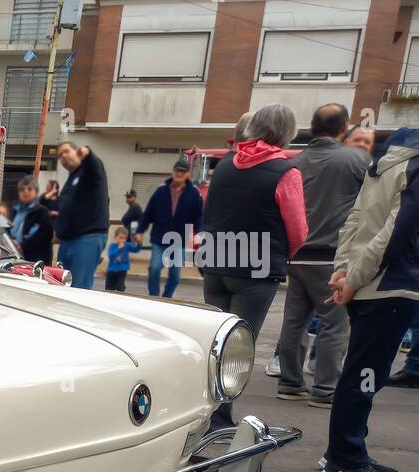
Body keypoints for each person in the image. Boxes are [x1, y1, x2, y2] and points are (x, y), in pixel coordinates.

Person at [318, 127, 419, 472]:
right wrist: (353, 277)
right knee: (365, 376)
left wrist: (344, 271)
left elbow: (354, 221)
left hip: (370, 284)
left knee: (360, 373)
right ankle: (345, 460)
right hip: (391, 285)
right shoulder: (413, 167)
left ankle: (346, 450)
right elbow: (396, 231)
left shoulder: (383, 164)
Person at [199, 103, 306, 429]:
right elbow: (298, 229)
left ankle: (202, 414)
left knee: (214, 343)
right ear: (288, 133)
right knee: (238, 346)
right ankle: (220, 421)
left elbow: (209, 211)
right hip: (256, 270)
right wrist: (280, 254)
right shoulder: (286, 171)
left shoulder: (227, 165)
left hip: (216, 261)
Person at [275, 103, 367, 408]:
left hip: (297, 255)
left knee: (294, 321)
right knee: (334, 324)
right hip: (331, 257)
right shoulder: (356, 160)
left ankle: (290, 382)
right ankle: (325, 390)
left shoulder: (295, 162)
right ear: (344, 129)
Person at [140, 157, 204, 298]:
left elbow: (199, 215)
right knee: (155, 268)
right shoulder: (161, 191)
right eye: (177, 170)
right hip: (159, 238)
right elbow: (148, 212)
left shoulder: (194, 193)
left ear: (188, 174)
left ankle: (167, 297)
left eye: (183, 171)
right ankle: (154, 296)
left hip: (179, 241)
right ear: (172, 171)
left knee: (175, 275)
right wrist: (140, 231)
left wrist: (199, 233)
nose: (179, 174)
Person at [53, 141, 109, 289]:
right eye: (60, 155)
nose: (63, 156)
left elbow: (95, 166)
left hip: (87, 237)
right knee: (63, 284)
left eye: (66, 151)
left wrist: (88, 154)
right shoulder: (71, 179)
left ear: (77, 151)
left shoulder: (88, 171)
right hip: (67, 240)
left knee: (79, 287)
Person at [9, 175, 53, 264]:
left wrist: (22, 246)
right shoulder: (15, 210)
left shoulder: (41, 211)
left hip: (35, 259)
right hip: (15, 256)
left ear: (36, 192)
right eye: (22, 190)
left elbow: (45, 235)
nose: (25, 192)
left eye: (29, 189)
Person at [103, 226, 134, 291]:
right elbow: (111, 255)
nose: (122, 240)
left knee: (120, 287)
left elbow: (136, 249)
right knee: (109, 288)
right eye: (120, 238)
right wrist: (118, 248)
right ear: (115, 237)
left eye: (124, 238)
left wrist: (139, 243)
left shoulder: (127, 245)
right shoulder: (112, 246)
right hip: (112, 270)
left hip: (122, 270)